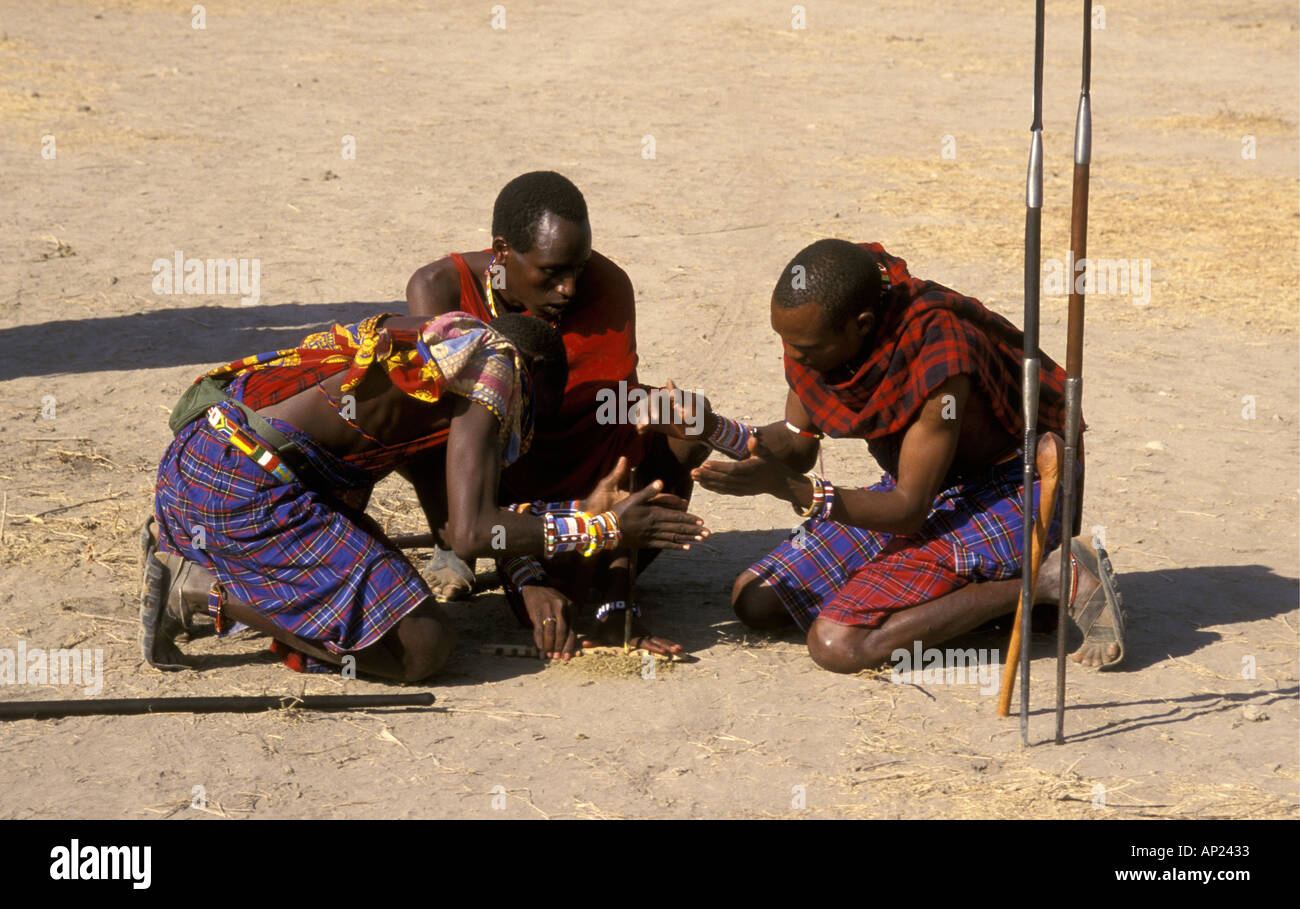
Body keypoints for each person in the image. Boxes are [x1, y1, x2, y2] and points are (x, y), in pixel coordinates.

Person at [641, 239, 1124, 674]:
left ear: (861, 326)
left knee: (838, 643)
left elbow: (908, 509)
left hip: (1010, 490)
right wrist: (709, 429)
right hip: (931, 486)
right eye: (785, 340)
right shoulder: (820, 339)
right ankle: (980, 592)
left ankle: (1052, 578)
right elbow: (797, 443)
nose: (793, 355)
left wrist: (787, 488)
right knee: (757, 602)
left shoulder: (939, 360)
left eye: (805, 347)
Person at [140, 311, 707, 681]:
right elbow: (468, 535)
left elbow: (455, 522)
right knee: (422, 648)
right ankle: (198, 593)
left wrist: (571, 522)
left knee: (395, 614)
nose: (519, 427)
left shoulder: (440, 360)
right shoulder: (497, 368)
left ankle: (205, 564)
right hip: (238, 487)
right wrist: (602, 530)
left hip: (204, 469)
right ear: (528, 373)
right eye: (531, 411)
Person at [405, 171, 710, 656]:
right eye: (551, 272)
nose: (569, 289)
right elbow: (457, 445)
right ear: (502, 252)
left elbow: (618, 442)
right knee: (428, 428)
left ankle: (599, 580)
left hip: (591, 489)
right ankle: (469, 548)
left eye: (578, 269)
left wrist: (619, 597)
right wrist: (523, 576)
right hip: (492, 494)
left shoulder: (606, 287)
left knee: (687, 418)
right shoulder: (438, 290)